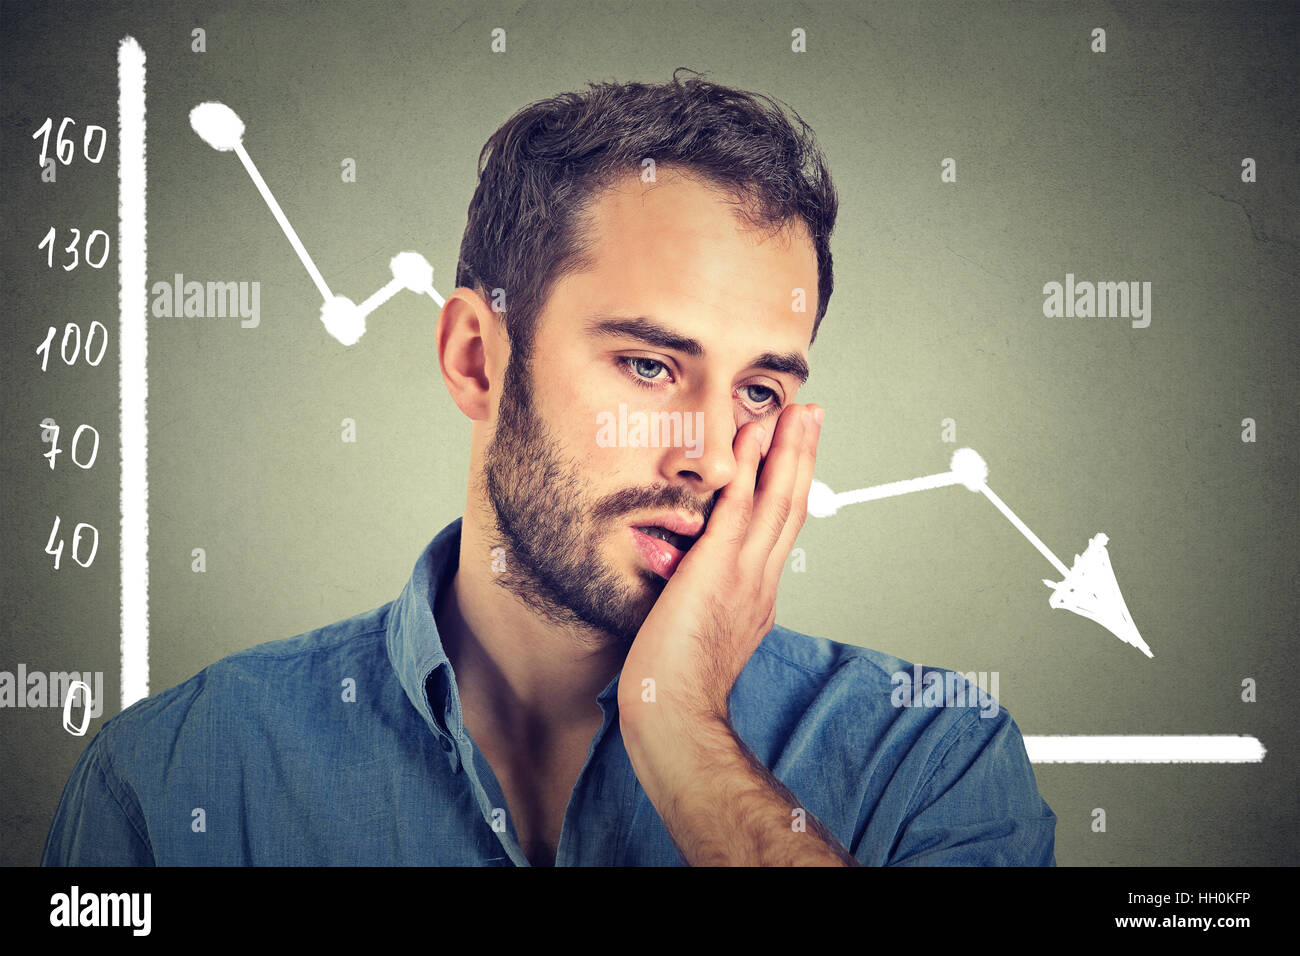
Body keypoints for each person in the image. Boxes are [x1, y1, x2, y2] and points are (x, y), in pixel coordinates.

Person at [43, 70, 1056, 867]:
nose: (706, 454)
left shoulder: (924, 760)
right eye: (651, 364)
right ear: (476, 358)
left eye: (758, 390)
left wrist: (685, 735)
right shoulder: (173, 782)